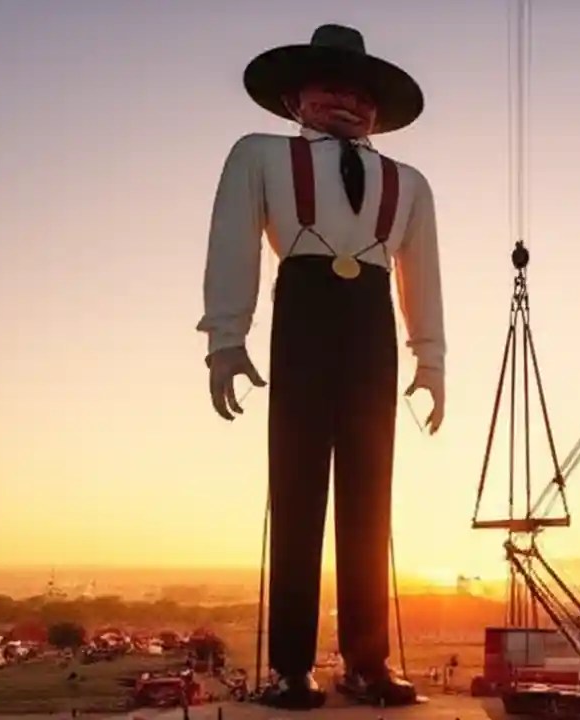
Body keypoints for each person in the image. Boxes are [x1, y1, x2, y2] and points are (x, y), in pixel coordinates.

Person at [196, 23, 445, 709]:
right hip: (301, 312)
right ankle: (291, 667)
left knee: (371, 495)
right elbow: (232, 245)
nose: (348, 101)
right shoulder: (259, 156)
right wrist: (225, 338)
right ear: (294, 97)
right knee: (298, 489)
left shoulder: (411, 183)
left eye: (362, 93)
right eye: (330, 86)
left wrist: (432, 359)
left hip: (371, 324)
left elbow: (421, 278)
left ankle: (367, 662)